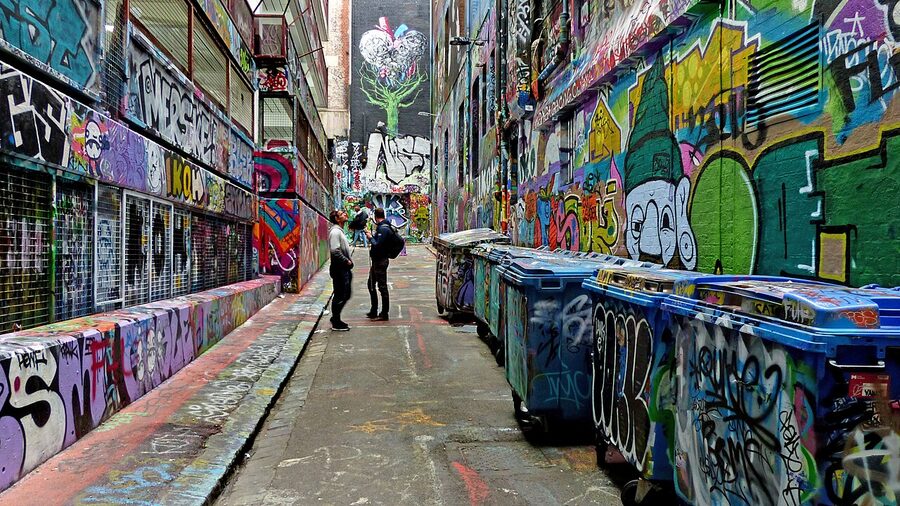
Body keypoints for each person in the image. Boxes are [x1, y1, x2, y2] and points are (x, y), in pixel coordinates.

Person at [364, 208, 396, 321]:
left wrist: (370, 237)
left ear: (375, 216)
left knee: (382, 287)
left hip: (380, 261)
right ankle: (374, 310)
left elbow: (377, 245)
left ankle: (384, 313)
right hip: (377, 261)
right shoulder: (384, 227)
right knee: (371, 284)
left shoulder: (383, 228)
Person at [328, 209, 353, 331]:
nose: (345, 214)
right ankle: (336, 321)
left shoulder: (339, 231)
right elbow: (335, 251)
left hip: (343, 268)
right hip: (339, 268)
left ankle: (335, 318)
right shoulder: (335, 232)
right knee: (340, 294)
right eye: (342, 214)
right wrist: (346, 261)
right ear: (337, 219)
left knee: (345, 293)